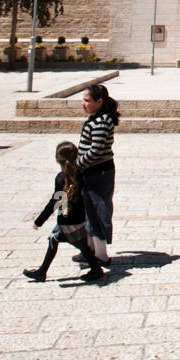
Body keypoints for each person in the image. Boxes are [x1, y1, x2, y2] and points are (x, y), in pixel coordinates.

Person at [24, 141, 105, 283]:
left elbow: (55, 203)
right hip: (79, 218)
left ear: (57, 160)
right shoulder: (81, 174)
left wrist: (39, 221)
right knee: (64, 242)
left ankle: (95, 270)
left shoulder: (61, 178)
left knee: (70, 243)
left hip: (67, 221)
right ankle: (42, 272)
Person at [77, 83, 119, 267]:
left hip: (98, 173)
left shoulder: (101, 121)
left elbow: (96, 150)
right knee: (88, 212)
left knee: (97, 212)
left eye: (87, 101)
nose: (84, 104)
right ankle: (89, 250)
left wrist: (77, 164)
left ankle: (101, 256)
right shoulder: (97, 118)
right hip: (91, 172)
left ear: (99, 101)